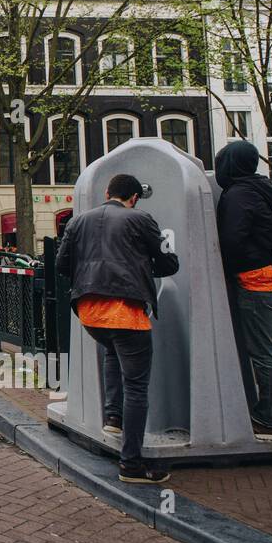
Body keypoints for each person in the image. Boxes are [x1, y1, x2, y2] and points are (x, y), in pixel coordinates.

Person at [55, 173, 180, 485]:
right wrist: (140, 264)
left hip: (89, 312)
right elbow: (168, 264)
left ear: (108, 192)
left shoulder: (78, 221)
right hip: (125, 311)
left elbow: (61, 264)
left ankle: (113, 417)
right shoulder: (140, 219)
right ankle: (131, 464)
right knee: (137, 385)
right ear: (134, 198)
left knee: (111, 349)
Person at [215, 140, 272, 441]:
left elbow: (232, 239)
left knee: (263, 353)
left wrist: (222, 268)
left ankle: (269, 419)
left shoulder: (239, 194)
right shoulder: (264, 189)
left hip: (255, 281)